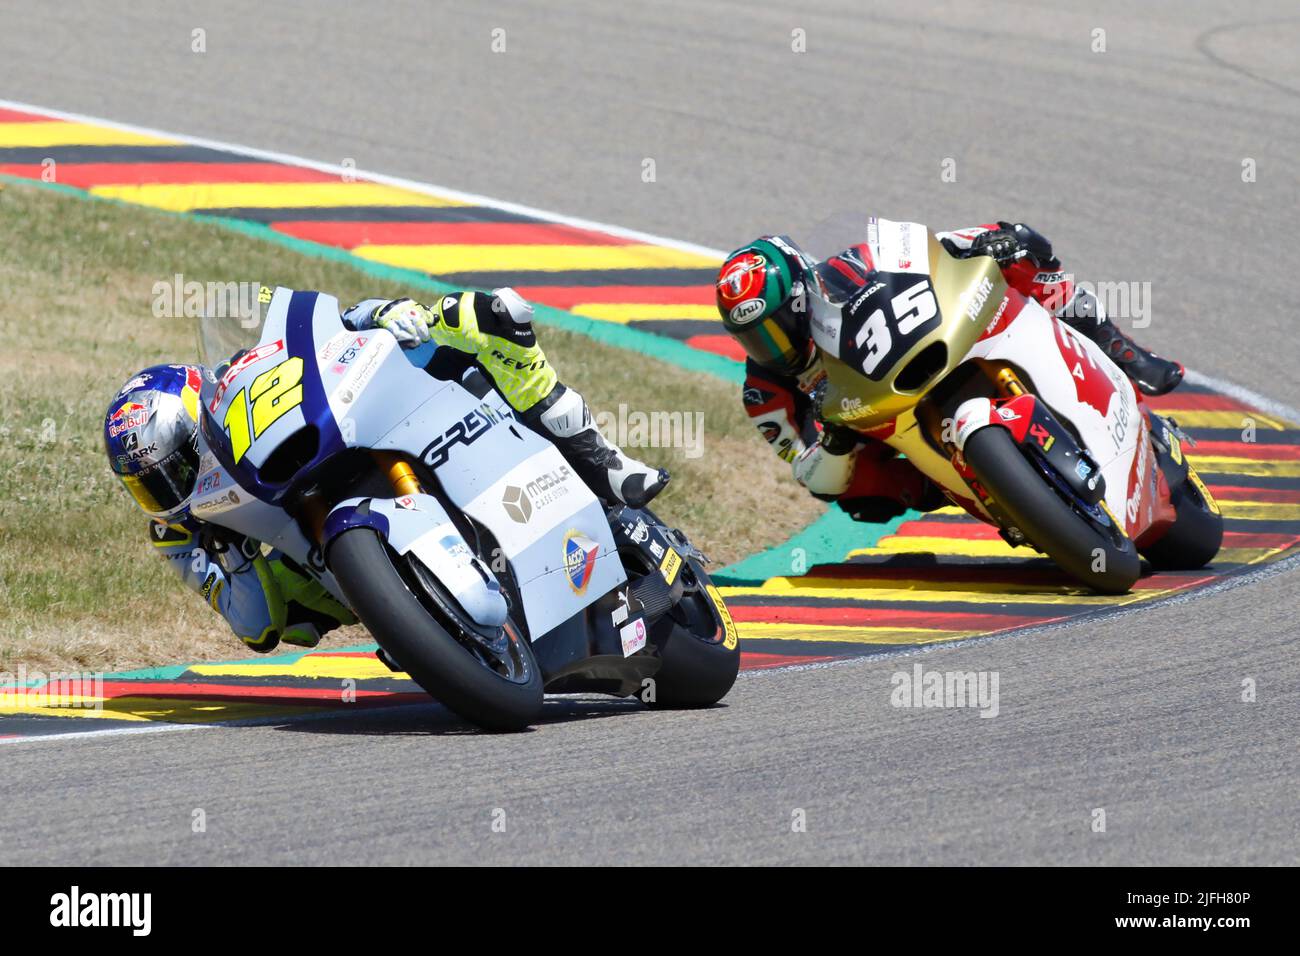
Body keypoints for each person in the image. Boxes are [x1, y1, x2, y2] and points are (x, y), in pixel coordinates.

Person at [104, 287, 668, 654]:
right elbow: (255, 627)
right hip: (314, 571)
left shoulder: (234, 391)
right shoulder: (177, 531)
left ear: (197, 418)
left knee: (473, 321)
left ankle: (600, 460)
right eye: (148, 485)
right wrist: (230, 551)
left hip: (334, 437)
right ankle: (414, 613)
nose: (168, 491)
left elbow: (320, 333)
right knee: (292, 618)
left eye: (173, 467)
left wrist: (378, 315)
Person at [716, 222, 1184, 522]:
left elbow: (935, 250)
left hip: (937, 345)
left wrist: (986, 241)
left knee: (1022, 249)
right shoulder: (764, 395)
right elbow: (808, 472)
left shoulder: (851, 267)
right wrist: (832, 447)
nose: (774, 346)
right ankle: (955, 485)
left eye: (779, 327)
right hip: (875, 422)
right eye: (757, 338)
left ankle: (1118, 348)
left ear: (804, 287)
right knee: (859, 496)